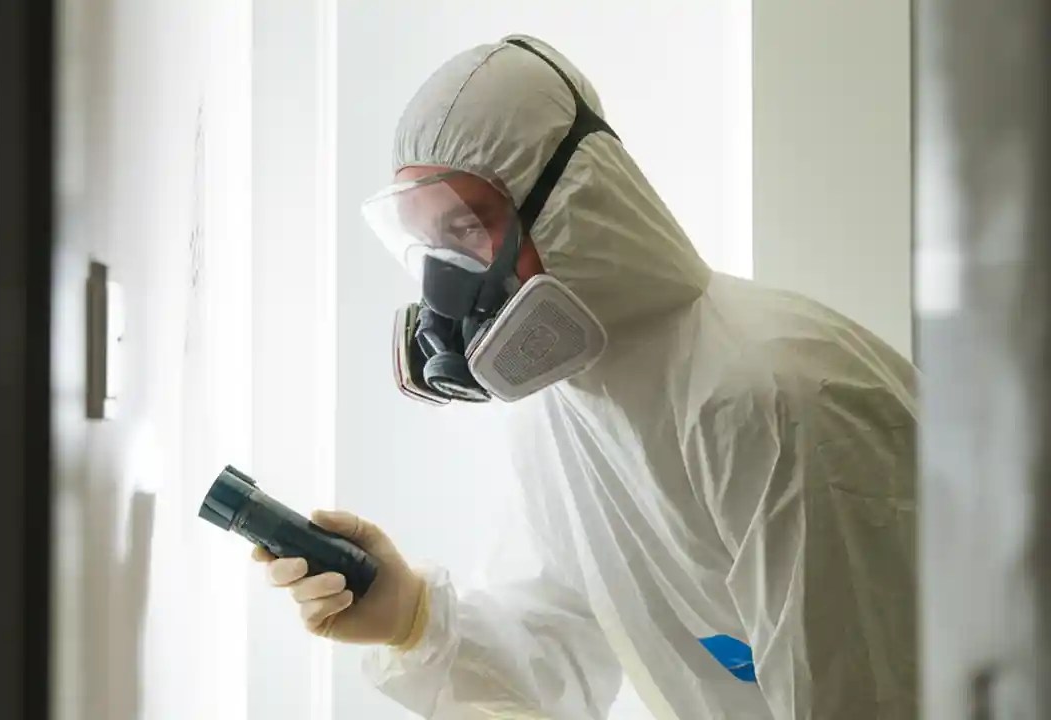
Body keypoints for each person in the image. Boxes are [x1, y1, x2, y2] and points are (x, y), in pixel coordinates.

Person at [255, 35, 918, 719]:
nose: (446, 287)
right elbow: (556, 656)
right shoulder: (564, 414)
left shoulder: (773, 399)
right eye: (434, 246)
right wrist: (413, 619)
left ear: (571, 202)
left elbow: (867, 695)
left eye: (468, 229)